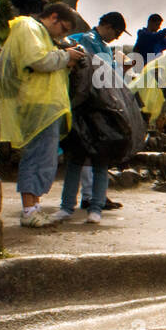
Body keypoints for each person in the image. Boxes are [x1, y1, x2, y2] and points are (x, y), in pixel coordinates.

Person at [0, 3, 87, 226]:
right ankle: (28, 210)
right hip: (37, 104)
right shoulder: (28, 26)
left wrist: (65, 59)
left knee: (45, 158)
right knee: (37, 157)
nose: (63, 35)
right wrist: (66, 57)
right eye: (63, 28)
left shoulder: (45, 36)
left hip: (47, 107)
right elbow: (37, 60)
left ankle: (34, 207)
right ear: (53, 17)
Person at [59, 12, 129, 219]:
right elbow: (97, 74)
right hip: (91, 106)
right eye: (116, 32)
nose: (117, 37)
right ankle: (91, 202)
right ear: (107, 26)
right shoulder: (86, 41)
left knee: (83, 159)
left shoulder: (98, 44)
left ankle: (81, 203)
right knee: (92, 158)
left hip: (88, 106)